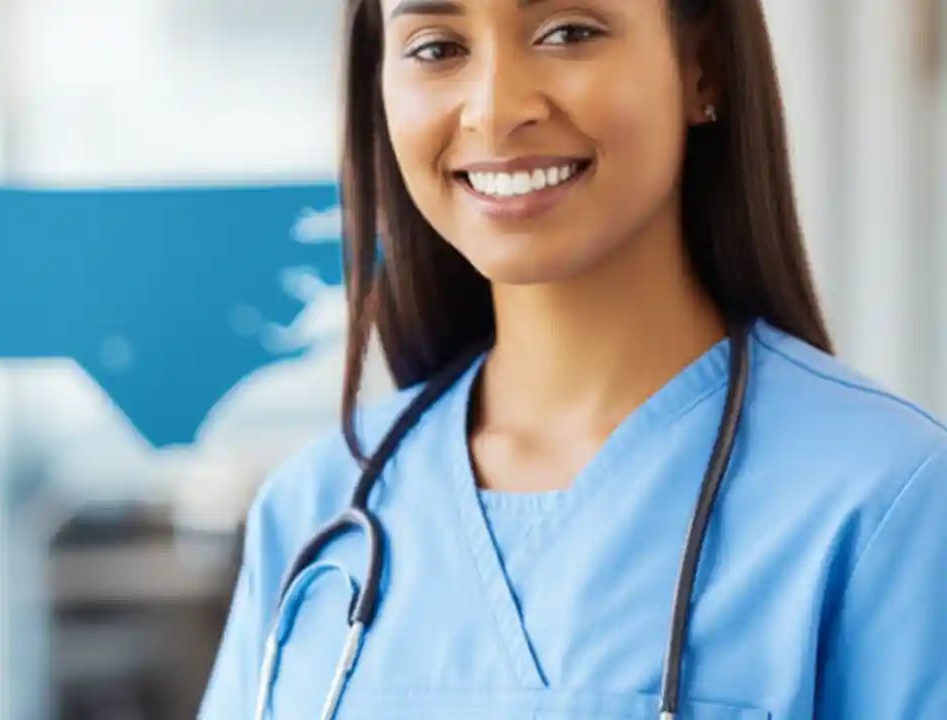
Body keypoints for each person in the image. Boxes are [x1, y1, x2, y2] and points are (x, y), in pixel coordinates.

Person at [200, 0, 947, 717]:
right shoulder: (313, 511)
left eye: (567, 31)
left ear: (702, 66)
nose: (495, 108)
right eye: (437, 48)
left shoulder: (885, 498)